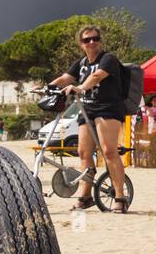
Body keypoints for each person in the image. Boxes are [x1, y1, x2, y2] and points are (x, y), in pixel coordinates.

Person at [49, 24, 130, 213]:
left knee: (109, 151)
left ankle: (120, 196)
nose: (92, 42)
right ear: (81, 44)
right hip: (88, 109)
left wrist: (80, 88)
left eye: (95, 38)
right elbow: (65, 78)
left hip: (108, 108)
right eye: (87, 40)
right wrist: (46, 87)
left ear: (100, 41)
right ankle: (85, 196)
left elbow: (97, 76)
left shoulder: (108, 59)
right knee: (84, 153)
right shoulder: (81, 63)